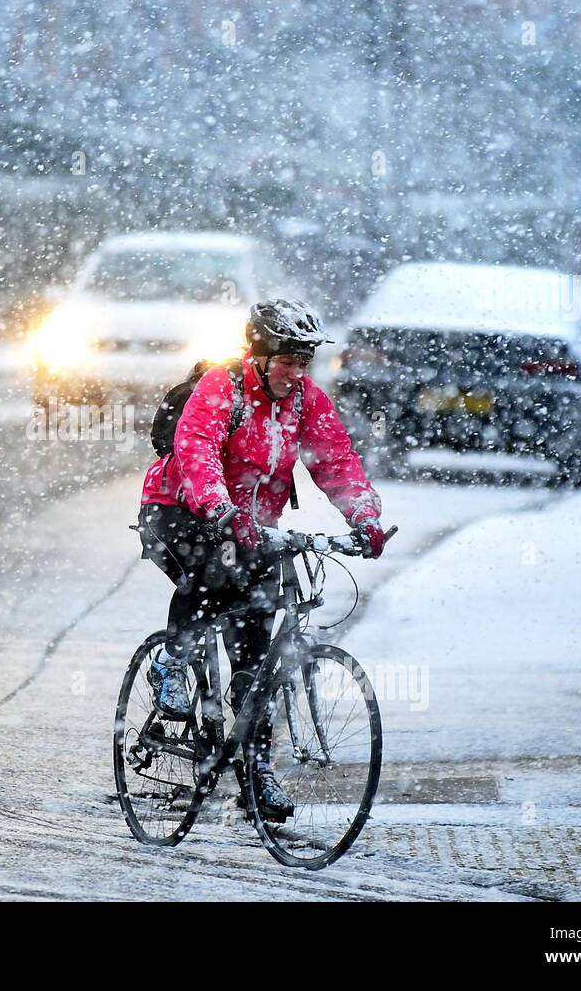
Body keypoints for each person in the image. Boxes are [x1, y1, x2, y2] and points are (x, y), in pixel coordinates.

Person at [136, 299, 387, 820]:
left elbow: (336, 459)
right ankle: (171, 664)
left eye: (303, 363)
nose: (295, 373)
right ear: (260, 353)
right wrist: (221, 508)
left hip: (252, 528)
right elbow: (196, 450)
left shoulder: (305, 402)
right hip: (179, 509)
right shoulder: (221, 389)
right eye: (286, 362)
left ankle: (257, 770)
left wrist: (363, 516)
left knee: (255, 657)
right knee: (212, 577)